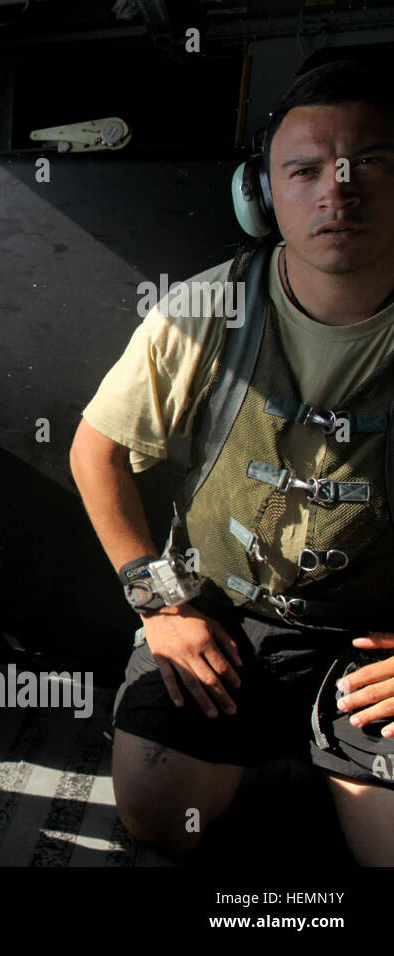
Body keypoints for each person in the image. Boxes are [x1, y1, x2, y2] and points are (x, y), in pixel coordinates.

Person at [69, 60, 394, 863]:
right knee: (157, 814)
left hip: (377, 639)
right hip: (220, 607)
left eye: (369, 162)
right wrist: (161, 606)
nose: (338, 192)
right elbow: (95, 452)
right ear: (262, 195)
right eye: (305, 170)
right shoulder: (206, 310)